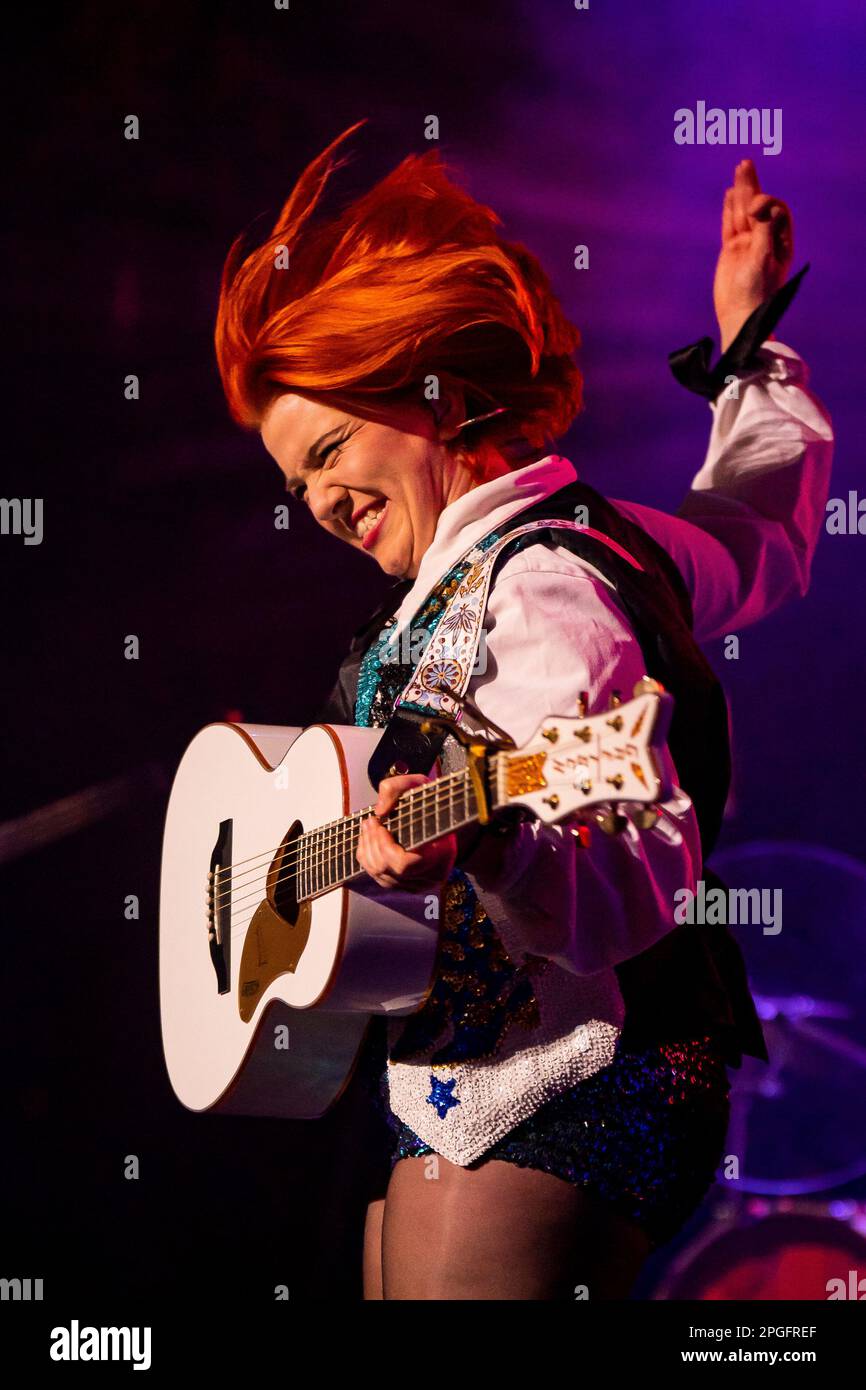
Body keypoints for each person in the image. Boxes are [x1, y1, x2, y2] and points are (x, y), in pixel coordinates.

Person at [214, 121, 833, 1300]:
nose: (320, 503)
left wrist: (490, 833)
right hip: (461, 1082)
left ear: (425, 392)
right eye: (295, 482)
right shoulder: (554, 547)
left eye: (331, 449)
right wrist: (749, 336)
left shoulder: (540, 578)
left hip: (563, 1070)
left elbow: (630, 870)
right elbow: (756, 533)